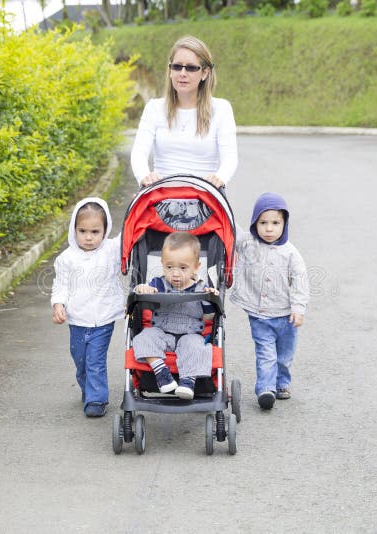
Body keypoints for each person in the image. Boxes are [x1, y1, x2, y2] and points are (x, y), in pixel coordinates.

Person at [230, 193, 310, 410]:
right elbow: (231, 227)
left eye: (275, 223)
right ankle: (266, 389)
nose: (268, 229)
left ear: (284, 224)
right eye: (263, 223)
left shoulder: (290, 253)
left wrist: (298, 308)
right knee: (266, 354)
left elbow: (300, 281)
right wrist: (220, 197)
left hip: (286, 316)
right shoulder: (248, 243)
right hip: (260, 315)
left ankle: (282, 383)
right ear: (254, 223)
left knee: (284, 357)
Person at [130, 35, 238, 189]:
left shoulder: (221, 109)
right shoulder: (154, 108)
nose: (182, 73)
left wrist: (220, 177)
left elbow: (230, 157)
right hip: (161, 193)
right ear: (170, 70)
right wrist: (144, 176)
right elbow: (139, 152)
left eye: (191, 68)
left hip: (204, 194)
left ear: (205, 73)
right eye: (177, 66)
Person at [51, 198, 125, 417]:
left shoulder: (110, 250)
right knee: (81, 360)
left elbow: (128, 234)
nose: (89, 237)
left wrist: (137, 203)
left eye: (95, 231)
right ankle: (88, 388)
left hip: (103, 319)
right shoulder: (66, 258)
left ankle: (97, 399)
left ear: (105, 230)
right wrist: (58, 304)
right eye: (82, 231)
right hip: (77, 320)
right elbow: (60, 285)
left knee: (95, 360)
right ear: (74, 229)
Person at [131, 231, 219, 400]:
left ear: (196, 267)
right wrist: (143, 289)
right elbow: (140, 294)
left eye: (183, 268)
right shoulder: (158, 284)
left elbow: (209, 318)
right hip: (161, 333)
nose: (175, 273)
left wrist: (211, 298)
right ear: (162, 264)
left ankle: (188, 382)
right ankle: (161, 372)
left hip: (190, 334)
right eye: (169, 267)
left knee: (197, 347)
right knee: (143, 337)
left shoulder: (202, 288)